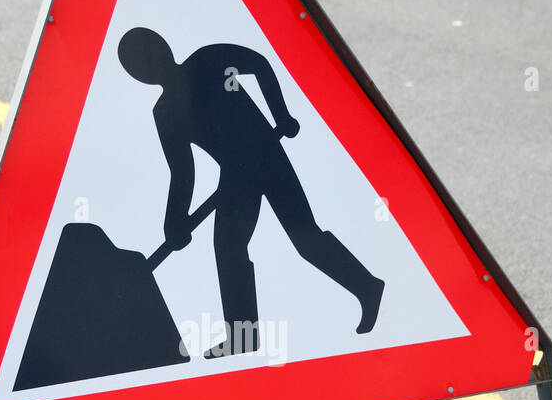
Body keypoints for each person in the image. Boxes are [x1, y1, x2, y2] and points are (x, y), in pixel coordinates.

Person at [118, 27, 384, 357]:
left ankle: (366, 287)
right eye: (139, 65)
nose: (147, 67)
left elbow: (258, 63)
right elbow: (182, 171)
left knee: (300, 238)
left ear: (163, 48)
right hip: (236, 173)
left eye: (147, 56)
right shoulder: (165, 112)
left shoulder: (207, 60)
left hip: (266, 153)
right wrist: (174, 221)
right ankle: (245, 334)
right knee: (235, 246)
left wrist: (280, 114)